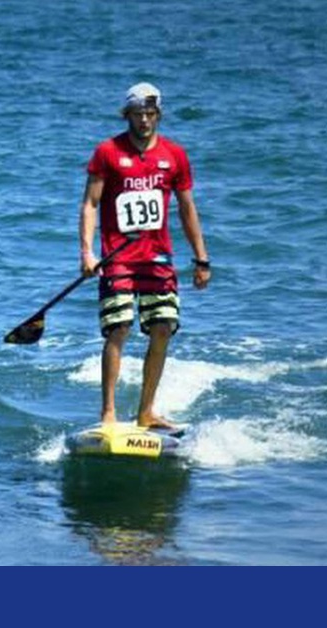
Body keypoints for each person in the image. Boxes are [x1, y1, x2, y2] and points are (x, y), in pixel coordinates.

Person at [78, 82, 211, 429]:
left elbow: (186, 208)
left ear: (158, 115)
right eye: (138, 114)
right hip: (117, 258)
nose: (144, 120)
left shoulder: (174, 155)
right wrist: (87, 252)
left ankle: (146, 412)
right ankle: (108, 413)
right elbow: (91, 203)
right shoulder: (107, 152)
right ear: (127, 115)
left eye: (150, 114)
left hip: (157, 259)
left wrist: (201, 258)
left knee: (163, 327)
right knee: (118, 328)